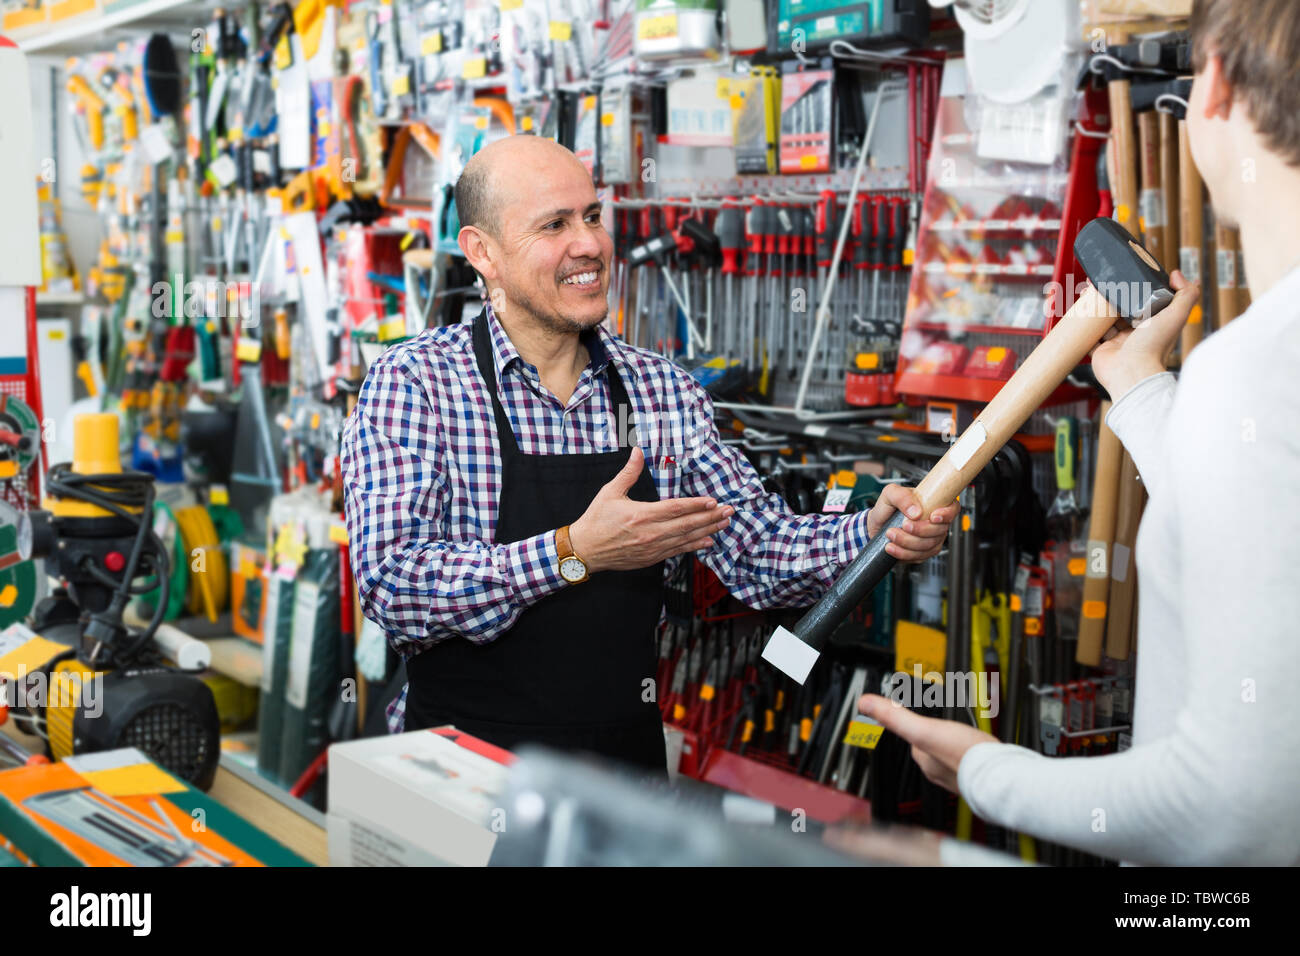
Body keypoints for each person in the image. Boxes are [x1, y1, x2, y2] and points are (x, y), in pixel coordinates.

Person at [340, 134, 956, 771]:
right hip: (459, 770)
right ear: (482, 251)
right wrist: (573, 553)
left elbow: (755, 549)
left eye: (592, 216)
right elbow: (394, 585)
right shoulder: (418, 384)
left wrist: (869, 534)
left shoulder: (659, 390)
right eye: (554, 225)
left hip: (621, 772)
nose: (589, 244)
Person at [857, 0, 1300, 865]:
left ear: (1212, 84)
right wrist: (1139, 387)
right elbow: (1260, 531)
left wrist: (987, 771)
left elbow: (1230, 806)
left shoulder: (1253, 369)